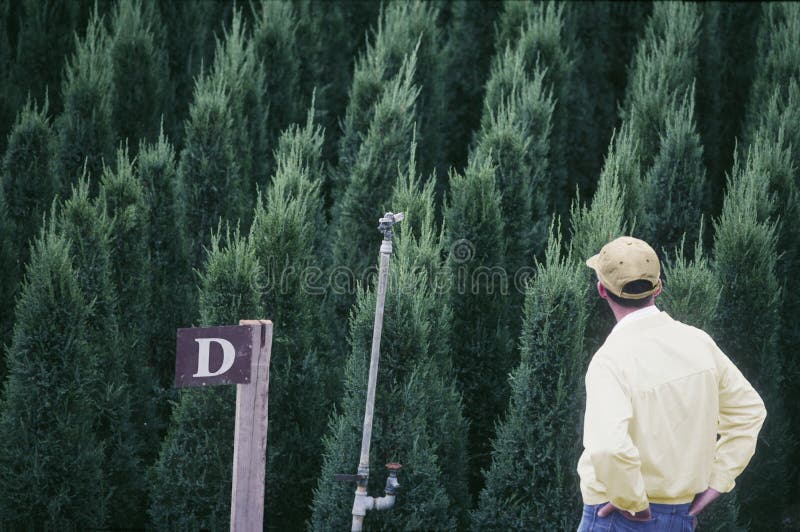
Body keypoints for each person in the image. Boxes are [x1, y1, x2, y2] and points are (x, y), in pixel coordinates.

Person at [576, 236, 767, 531]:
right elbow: (750, 412)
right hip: (681, 516)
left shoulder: (609, 360)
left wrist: (633, 502)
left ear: (602, 290)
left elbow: (609, 448)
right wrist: (718, 481)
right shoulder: (699, 343)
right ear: (659, 287)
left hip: (619, 516)